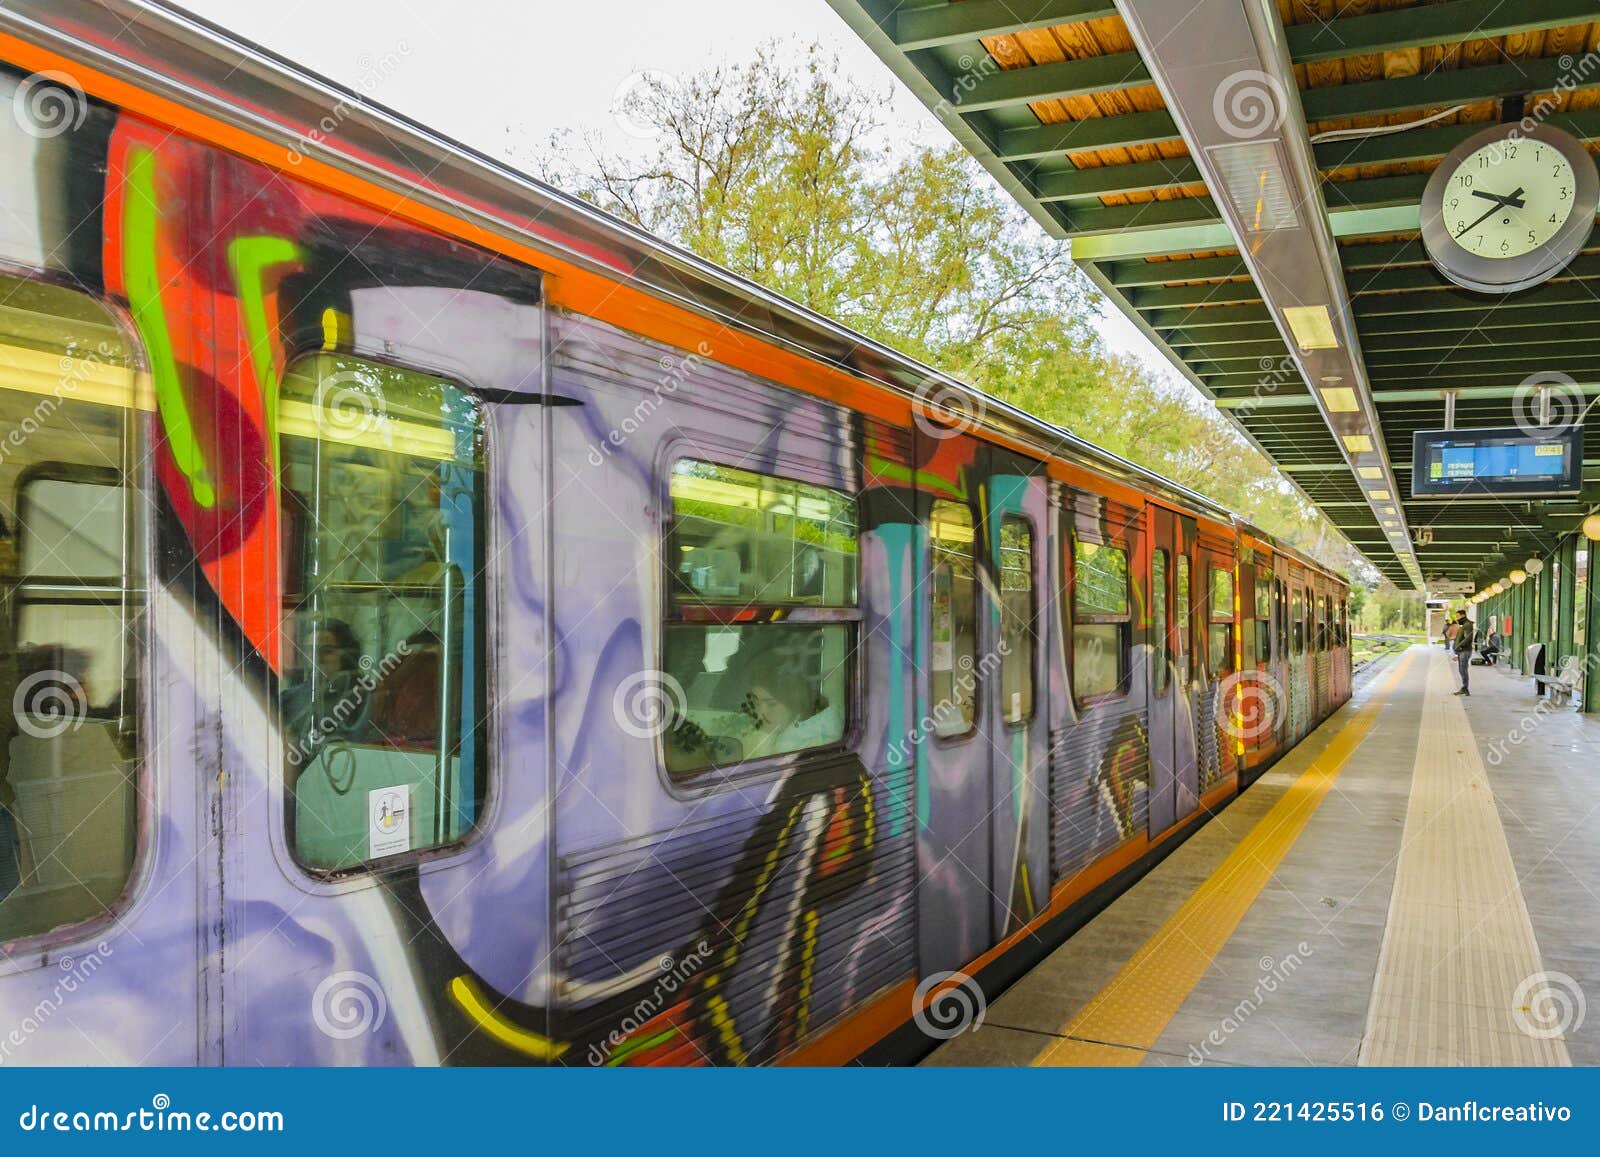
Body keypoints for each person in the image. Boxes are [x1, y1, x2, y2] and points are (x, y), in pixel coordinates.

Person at [1451, 609, 1476, 696]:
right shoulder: (1463, 625)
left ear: (1463, 615)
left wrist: (1459, 646)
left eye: (1458, 616)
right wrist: (1457, 652)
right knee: (1461, 669)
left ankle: (1465, 688)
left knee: (1463, 669)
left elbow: (1468, 638)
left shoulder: (1468, 625)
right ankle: (1464, 687)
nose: (1456, 618)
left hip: (1465, 651)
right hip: (1461, 651)